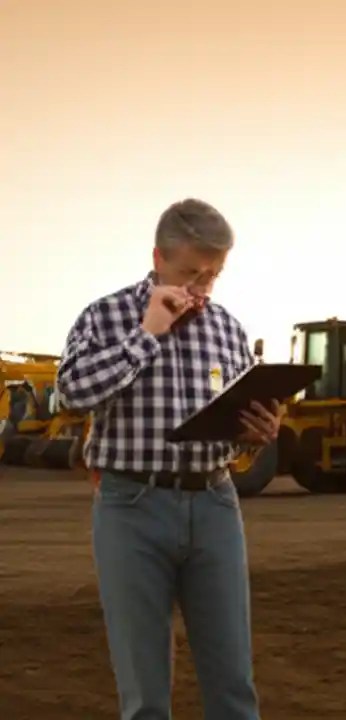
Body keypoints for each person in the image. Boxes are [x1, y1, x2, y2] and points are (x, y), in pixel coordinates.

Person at [55, 198, 281, 720]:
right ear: (158, 257)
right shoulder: (105, 316)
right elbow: (70, 395)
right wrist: (147, 334)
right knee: (145, 690)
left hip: (216, 504)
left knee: (233, 682)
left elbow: (237, 424)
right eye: (190, 274)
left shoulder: (228, 328)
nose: (201, 289)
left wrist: (260, 432)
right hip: (130, 506)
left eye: (213, 276)